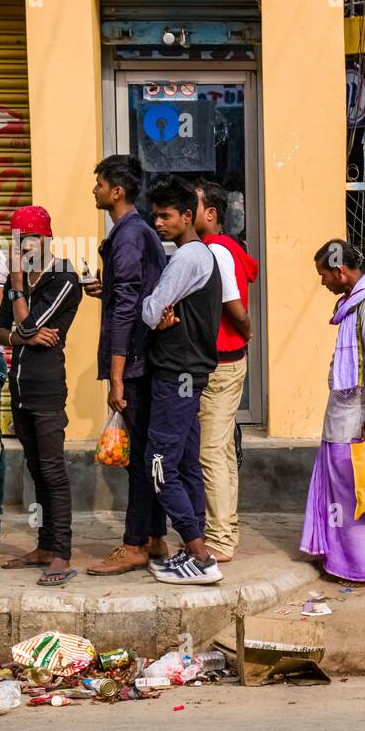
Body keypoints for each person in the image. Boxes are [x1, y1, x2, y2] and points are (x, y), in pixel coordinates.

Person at [84, 155, 171, 576]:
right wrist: (111, 288)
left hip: (136, 362)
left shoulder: (130, 235)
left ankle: (135, 543)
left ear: (117, 191)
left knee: (139, 457)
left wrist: (116, 376)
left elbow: (126, 310)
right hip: (143, 357)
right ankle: (154, 535)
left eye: (99, 184)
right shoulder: (135, 233)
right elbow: (134, 294)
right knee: (147, 453)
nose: (95, 190)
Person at [300, 239, 365, 584]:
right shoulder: (351, 306)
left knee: (356, 497)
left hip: (357, 420)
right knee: (341, 495)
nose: (323, 282)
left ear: (340, 270)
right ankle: (340, 561)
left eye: (323, 274)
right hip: (343, 417)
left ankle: (362, 567)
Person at [139, 176, 224, 585]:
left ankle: (200, 555)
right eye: (154, 215)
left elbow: (153, 312)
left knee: (158, 464)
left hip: (177, 375)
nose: (158, 223)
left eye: (166, 216)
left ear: (187, 216)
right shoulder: (201, 256)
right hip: (189, 374)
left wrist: (150, 307)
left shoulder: (187, 258)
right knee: (186, 464)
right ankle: (195, 550)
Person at [0, 206, 82, 587]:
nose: (22, 247)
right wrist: (19, 337)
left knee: (53, 471)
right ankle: (44, 545)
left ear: (46, 239)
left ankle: (60, 551)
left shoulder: (64, 277)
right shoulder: (23, 282)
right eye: (16, 241)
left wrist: (16, 285)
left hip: (46, 388)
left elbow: (29, 323)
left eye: (28, 240)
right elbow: (1, 331)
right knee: (34, 470)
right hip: (20, 387)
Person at [193, 181, 254, 563]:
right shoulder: (228, 248)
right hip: (229, 361)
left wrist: (245, 329)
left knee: (210, 453)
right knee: (223, 451)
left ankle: (219, 539)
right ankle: (226, 529)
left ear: (211, 213)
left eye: (192, 206)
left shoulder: (215, 251)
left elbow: (233, 305)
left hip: (221, 364)